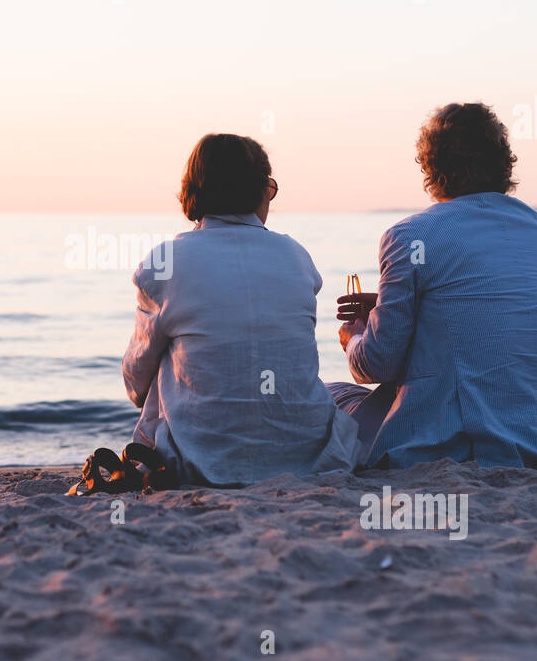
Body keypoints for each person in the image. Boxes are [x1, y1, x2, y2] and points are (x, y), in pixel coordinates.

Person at [329, 102, 537, 468]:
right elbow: (491, 320)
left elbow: (377, 365)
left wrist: (355, 338)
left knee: (328, 395)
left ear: (430, 166)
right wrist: (388, 306)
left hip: (461, 439)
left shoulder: (412, 235)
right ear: (504, 161)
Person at [122, 133, 361, 486]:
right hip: (308, 458)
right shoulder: (296, 257)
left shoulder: (166, 262)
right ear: (260, 191)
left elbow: (135, 383)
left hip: (198, 461)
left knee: (164, 359)